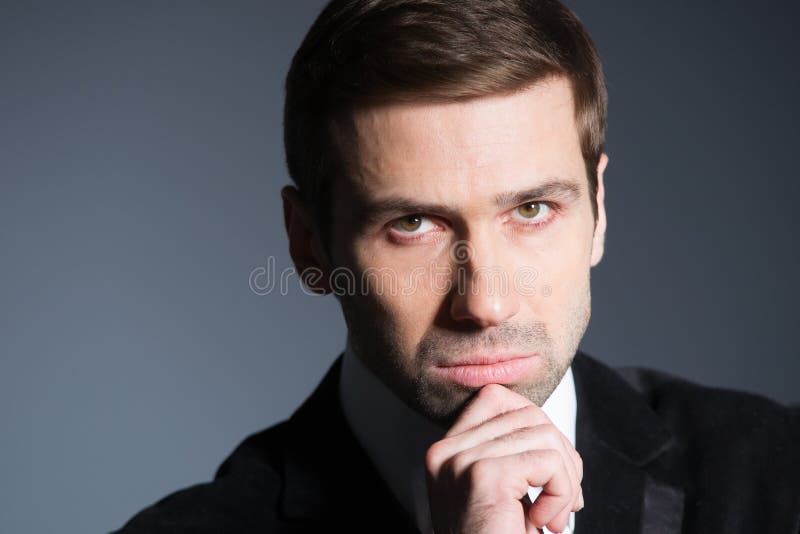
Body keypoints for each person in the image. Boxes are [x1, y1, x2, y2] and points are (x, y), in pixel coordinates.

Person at [114, 0, 800, 532]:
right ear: (310, 244)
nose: (485, 304)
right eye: (412, 224)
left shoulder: (778, 474)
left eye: (532, 209)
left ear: (599, 208)